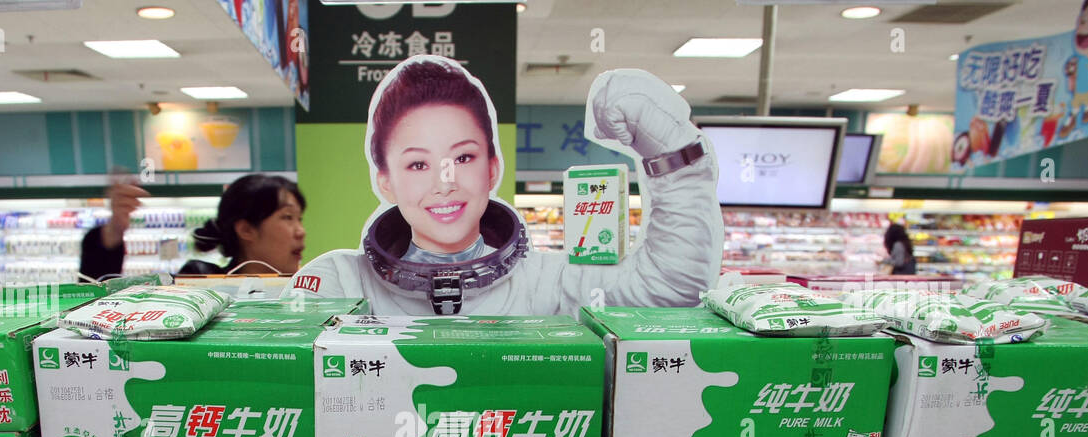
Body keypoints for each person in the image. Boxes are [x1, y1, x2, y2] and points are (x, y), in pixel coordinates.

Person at [285, 56, 723, 315]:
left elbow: (669, 289)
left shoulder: (546, 283)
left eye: (463, 157)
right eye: (418, 164)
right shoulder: (342, 282)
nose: (445, 183)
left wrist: (676, 158)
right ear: (386, 181)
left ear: (492, 169)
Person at [78, 174, 306, 279]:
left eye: (300, 219)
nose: (300, 231)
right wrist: (113, 234)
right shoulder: (198, 282)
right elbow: (97, 306)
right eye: (287, 217)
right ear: (246, 230)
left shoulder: (309, 291)